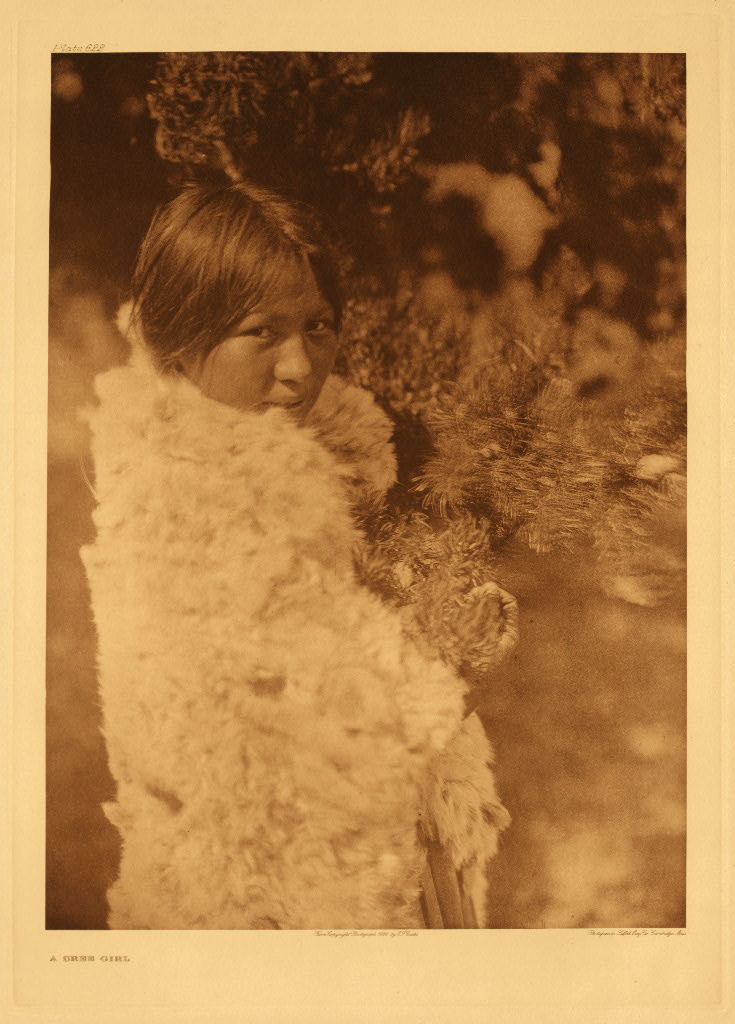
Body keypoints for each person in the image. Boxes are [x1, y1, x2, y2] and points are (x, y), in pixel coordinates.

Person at [81, 181, 513, 930]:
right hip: (265, 906)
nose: (301, 366)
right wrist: (444, 670)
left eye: (319, 326)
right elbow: (305, 760)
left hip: (366, 865)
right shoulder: (186, 507)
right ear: (179, 337)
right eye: (260, 332)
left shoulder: (316, 478)